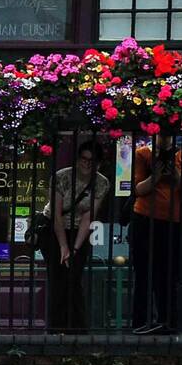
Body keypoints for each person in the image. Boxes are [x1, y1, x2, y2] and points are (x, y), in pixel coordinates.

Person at [40, 139, 109, 332]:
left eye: (92, 161)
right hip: (54, 229)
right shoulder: (62, 177)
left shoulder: (101, 183)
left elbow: (89, 217)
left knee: (74, 277)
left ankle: (76, 326)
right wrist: (63, 246)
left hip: (80, 230)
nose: (87, 164)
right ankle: (56, 326)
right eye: (84, 159)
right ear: (78, 159)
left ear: (99, 163)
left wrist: (76, 248)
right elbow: (56, 214)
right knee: (58, 275)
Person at [131, 131, 182, 333]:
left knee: (169, 273)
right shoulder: (143, 154)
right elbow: (138, 189)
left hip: (173, 220)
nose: (165, 138)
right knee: (144, 272)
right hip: (145, 217)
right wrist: (156, 176)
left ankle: (167, 320)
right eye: (162, 134)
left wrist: (176, 175)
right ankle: (142, 321)